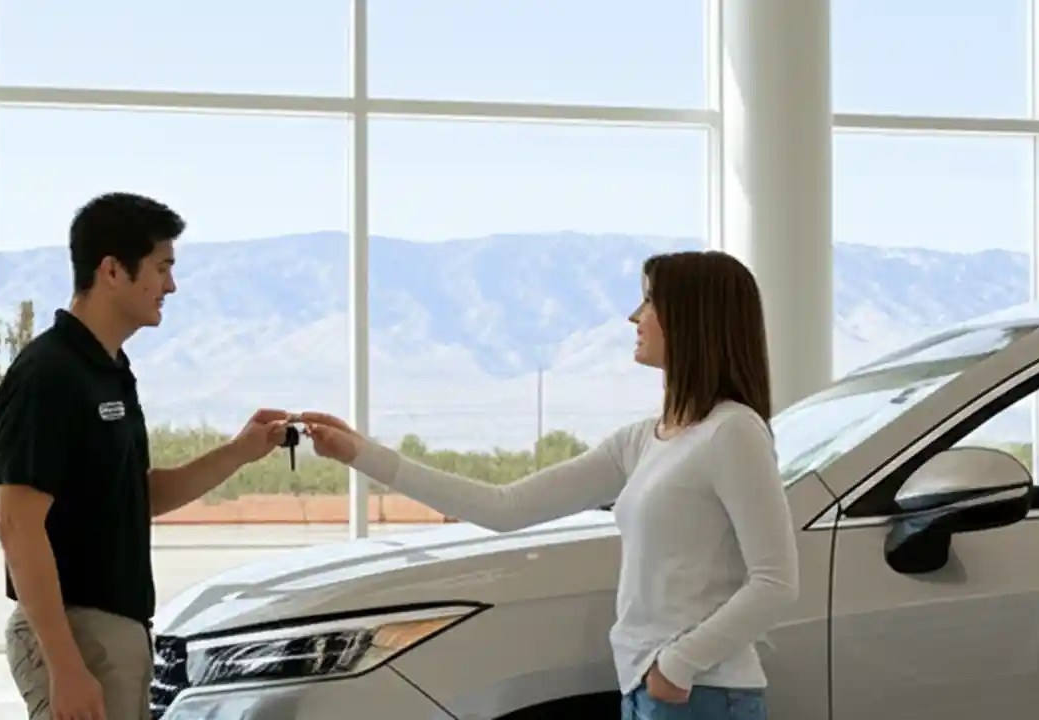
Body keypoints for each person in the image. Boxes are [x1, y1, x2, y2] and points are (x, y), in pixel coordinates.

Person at [300, 249, 798, 719]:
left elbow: (776, 583)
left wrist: (678, 664)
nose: (634, 317)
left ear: (693, 319)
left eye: (649, 301)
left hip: (699, 694)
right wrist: (360, 454)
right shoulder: (641, 441)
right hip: (649, 690)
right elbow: (505, 507)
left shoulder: (733, 432)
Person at [0, 192, 290, 720]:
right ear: (112, 270)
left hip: (115, 638)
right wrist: (66, 667)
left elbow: (135, 496)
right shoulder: (48, 375)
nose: (170, 286)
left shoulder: (110, 371)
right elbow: (17, 524)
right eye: (161, 268)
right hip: (77, 638)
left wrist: (240, 452)